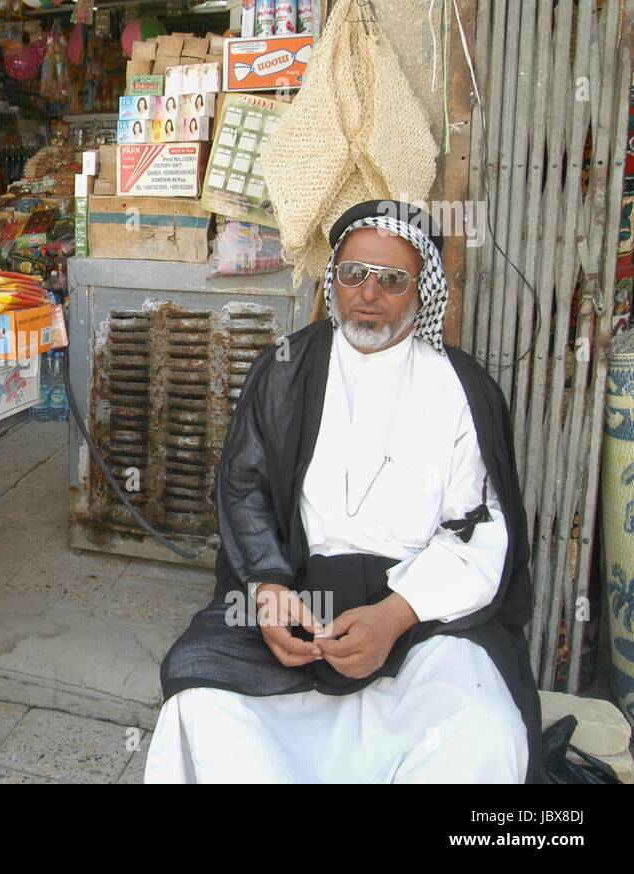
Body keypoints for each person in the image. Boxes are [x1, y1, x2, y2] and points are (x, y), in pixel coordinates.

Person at [145, 200, 541, 784]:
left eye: (393, 280)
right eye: (354, 273)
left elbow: (481, 530)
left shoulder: (462, 388)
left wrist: (392, 618)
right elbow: (245, 489)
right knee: (202, 701)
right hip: (302, 593)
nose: (369, 294)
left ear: (421, 292)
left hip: (421, 613)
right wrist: (270, 592)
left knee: (484, 730)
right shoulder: (285, 370)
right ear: (334, 280)